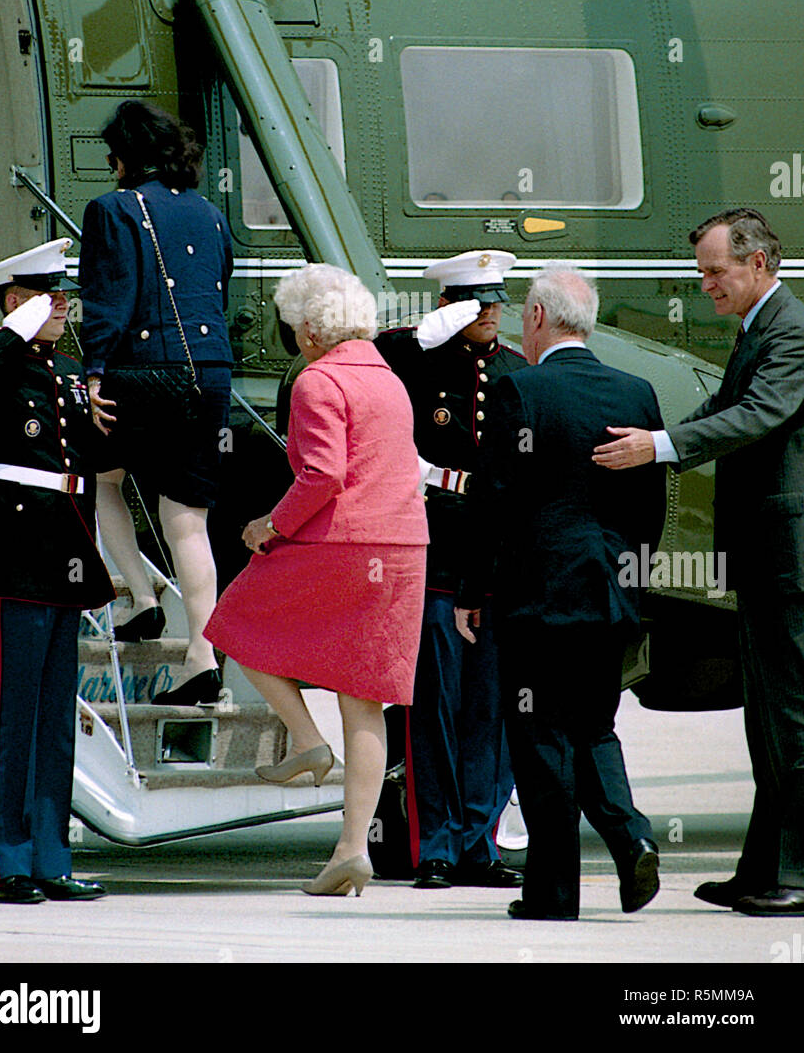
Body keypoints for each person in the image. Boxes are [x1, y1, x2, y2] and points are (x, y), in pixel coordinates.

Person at [594, 208, 804, 918]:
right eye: (702, 273)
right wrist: (654, 434)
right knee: (767, 722)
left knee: (792, 718)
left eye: (715, 272)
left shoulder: (790, 330)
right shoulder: (757, 328)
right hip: (762, 556)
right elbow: (722, 403)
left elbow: (759, 414)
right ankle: (761, 871)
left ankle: (798, 875)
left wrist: (656, 448)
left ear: (757, 264)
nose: (706, 286)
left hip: (787, 556)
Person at [204, 264, 428, 897]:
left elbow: (322, 476)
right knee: (365, 700)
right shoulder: (389, 378)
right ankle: (353, 851)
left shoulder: (316, 380)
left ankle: (305, 740)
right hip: (404, 546)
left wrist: (266, 526)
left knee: (234, 622)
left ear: (306, 330)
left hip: (342, 544)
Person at [463, 266, 666, 921]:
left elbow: (492, 501)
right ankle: (629, 833)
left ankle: (553, 892)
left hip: (537, 596)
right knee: (594, 725)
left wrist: (472, 587)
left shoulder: (518, 389)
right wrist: (626, 576)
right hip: (609, 591)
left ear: (537, 318)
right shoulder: (635, 392)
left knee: (539, 733)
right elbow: (649, 507)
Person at [0, 239, 113, 903]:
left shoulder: (69, 370)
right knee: (9, 715)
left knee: (51, 717)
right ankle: (3, 860)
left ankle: (49, 855)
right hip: (9, 555)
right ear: (18, 303)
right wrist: (9, 332)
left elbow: (87, 458)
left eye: (66, 297)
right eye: (52, 298)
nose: (65, 308)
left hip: (61, 553)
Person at [375, 251, 524, 890]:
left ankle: (478, 845)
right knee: (430, 706)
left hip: (494, 556)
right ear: (451, 307)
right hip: (433, 548)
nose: (491, 312)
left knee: (490, 709)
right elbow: (379, 356)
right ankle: (432, 844)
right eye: (477, 301)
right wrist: (427, 331)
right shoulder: (418, 362)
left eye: (496, 300)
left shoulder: (516, 370)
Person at [79, 101, 234, 706]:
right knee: (186, 518)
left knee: (98, 478)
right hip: (211, 371)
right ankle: (201, 655)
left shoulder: (114, 209)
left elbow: (109, 295)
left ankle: (142, 599)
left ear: (125, 156)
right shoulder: (210, 213)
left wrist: (94, 371)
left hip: (145, 370)